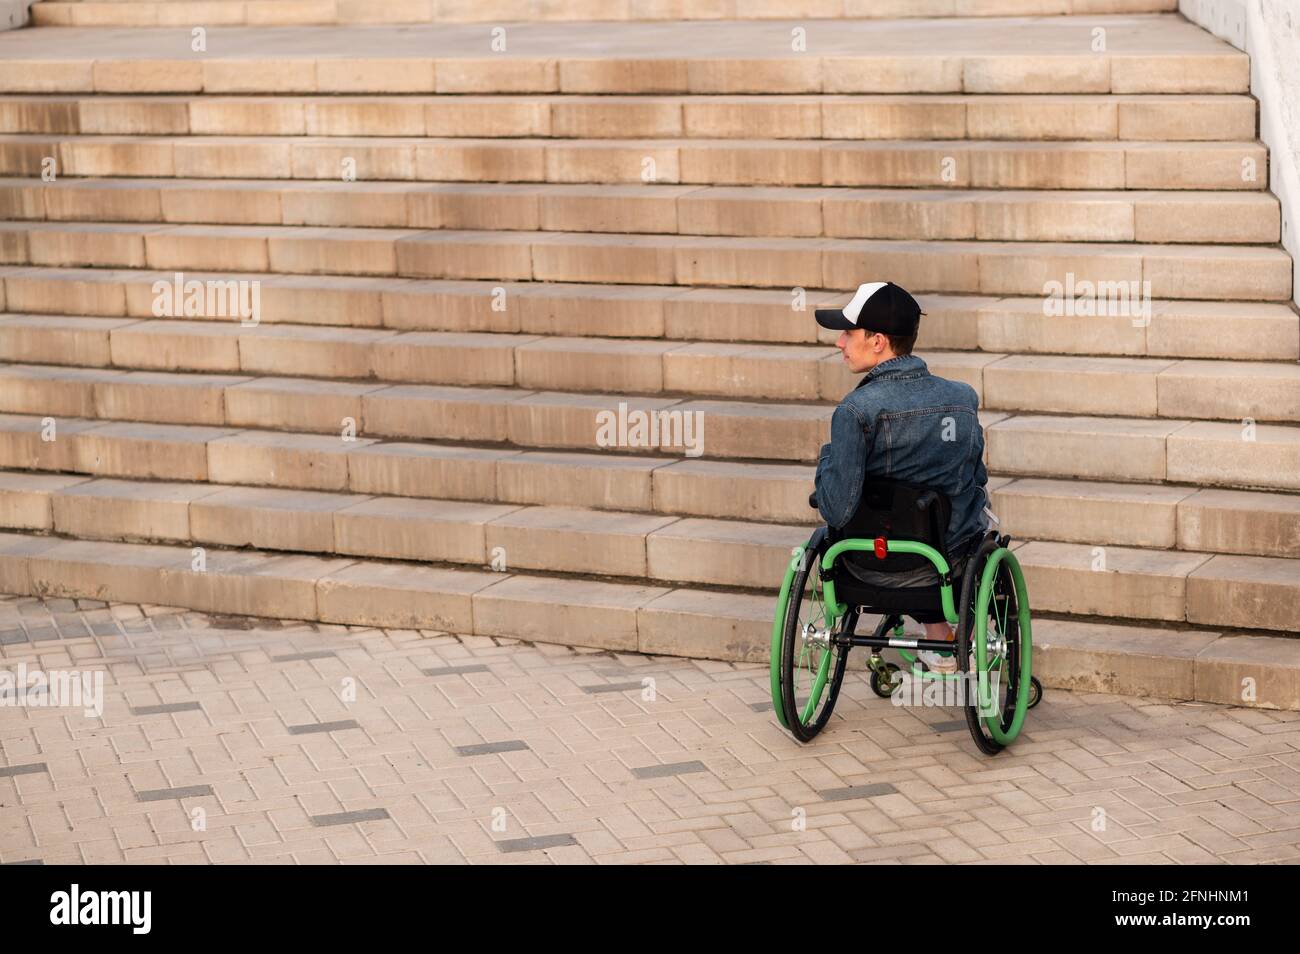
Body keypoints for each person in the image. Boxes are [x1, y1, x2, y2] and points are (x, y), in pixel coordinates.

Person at [813, 281, 992, 674]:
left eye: (848, 332)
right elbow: (975, 477)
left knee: (890, 521)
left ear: (877, 341)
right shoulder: (962, 399)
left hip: (866, 564)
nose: (839, 343)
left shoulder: (855, 412)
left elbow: (835, 510)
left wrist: (828, 460)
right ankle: (945, 632)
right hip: (948, 561)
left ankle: (937, 634)